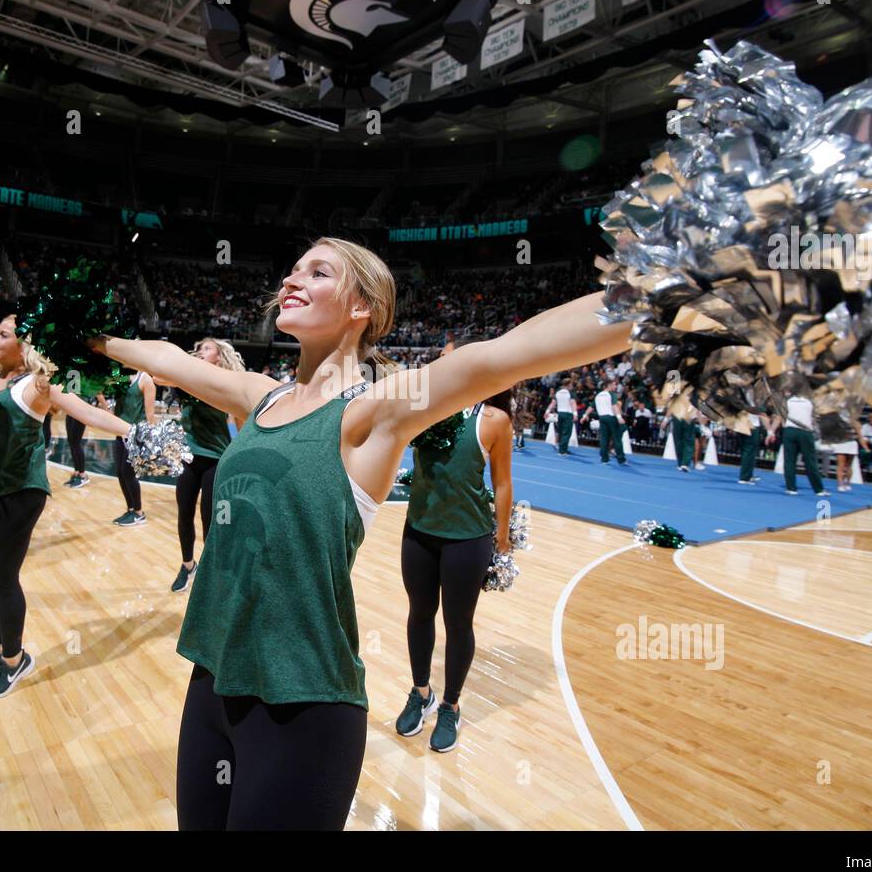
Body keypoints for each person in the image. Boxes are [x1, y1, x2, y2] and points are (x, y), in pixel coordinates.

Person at [90, 236, 630, 830]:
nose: (291, 280)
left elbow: (504, 354)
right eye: (292, 270)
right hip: (211, 680)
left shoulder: (376, 412)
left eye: (317, 272)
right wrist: (89, 339)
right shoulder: (260, 398)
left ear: (361, 307)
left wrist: (667, 293)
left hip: (301, 704)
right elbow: (167, 358)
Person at [0, 315, 136, 700]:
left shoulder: (37, 384)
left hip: (21, 491)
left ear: (25, 346)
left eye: (3, 335)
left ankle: (14, 660)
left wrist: (134, 431)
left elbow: (85, 411)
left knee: (3, 579)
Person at [397, 386, 514, 753]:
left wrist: (503, 533)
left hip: (467, 537)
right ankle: (421, 693)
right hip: (419, 530)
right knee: (419, 613)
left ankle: (451, 705)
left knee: (458, 622)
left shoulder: (493, 419)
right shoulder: (423, 409)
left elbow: (502, 481)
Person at [171, 338, 244, 593]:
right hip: (189, 458)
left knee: (211, 519)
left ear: (220, 355)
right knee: (184, 514)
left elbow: (242, 420)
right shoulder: (187, 379)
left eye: (207, 348)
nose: (200, 351)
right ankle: (188, 565)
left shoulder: (226, 383)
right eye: (198, 347)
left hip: (216, 458)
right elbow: (160, 378)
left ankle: (213, 571)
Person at [110, 368, 156, 526]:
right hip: (119, 430)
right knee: (119, 472)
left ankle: (139, 512)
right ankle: (130, 509)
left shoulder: (145, 379)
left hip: (136, 433)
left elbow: (150, 414)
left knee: (128, 473)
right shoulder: (119, 376)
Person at [765, 394, 829, 496]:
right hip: (804, 431)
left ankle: (791, 488)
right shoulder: (811, 399)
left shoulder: (788, 400)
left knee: (789, 461)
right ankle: (818, 489)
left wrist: (771, 432)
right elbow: (816, 417)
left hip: (790, 431)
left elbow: (779, 417)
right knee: (810, 461)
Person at [593, 378, 627, 465]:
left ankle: (604, 459)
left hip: (602, 417)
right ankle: (621, 459)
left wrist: (585, 415)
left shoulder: (598, 395)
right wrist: (619, 417)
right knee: (617, 439)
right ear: (609, 385)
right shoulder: (611, 394)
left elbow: (592, 407)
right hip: (611, 417)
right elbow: (614, 406)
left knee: (604, 439)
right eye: (614, 385)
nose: (615, 387)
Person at [545, 378, 578, 455]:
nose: (572, 385)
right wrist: (575, 414)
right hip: (568, 414)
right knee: (567, 433)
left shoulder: (558, 392)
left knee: (561, 432)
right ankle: (562, 451)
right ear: (569, 384)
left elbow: (553, 403)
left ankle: (563, 448)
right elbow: (573, 403)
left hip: (560, 414)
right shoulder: (570, 393)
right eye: (571, 384)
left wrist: (547, 411)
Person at [736, 410, 762, 485]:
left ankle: (749, 474)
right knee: (749, 451)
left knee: (747, 451)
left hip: (741, 424)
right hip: (751, 425)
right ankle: (744, 477)